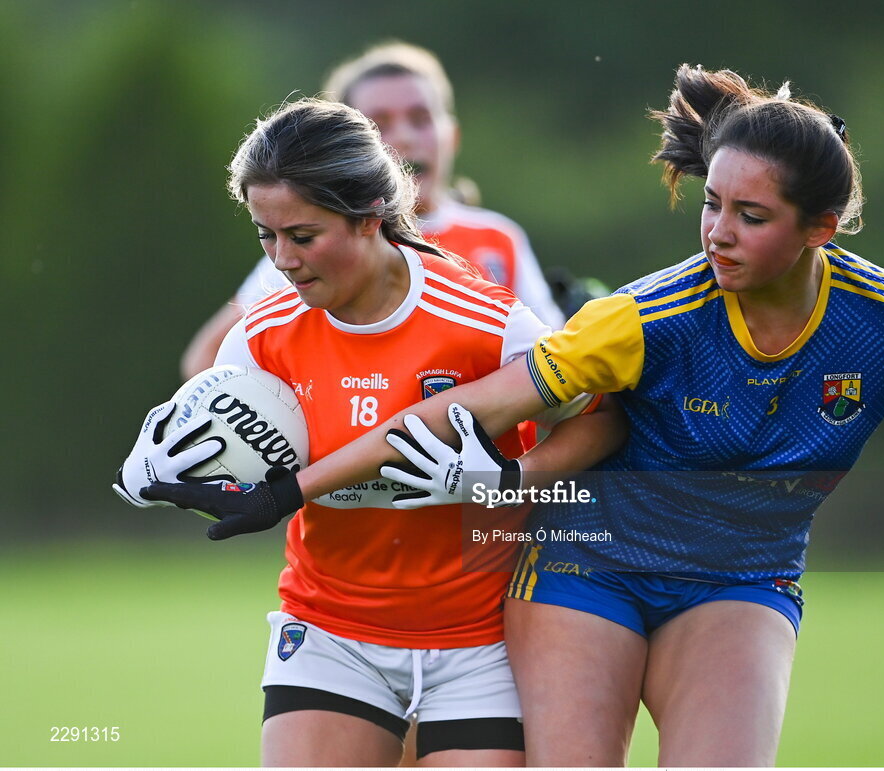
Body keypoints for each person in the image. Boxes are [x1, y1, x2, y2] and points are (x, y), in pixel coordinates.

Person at [141, 64, 884, 766]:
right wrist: (292, 488)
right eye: (711, 205)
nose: (715, 232)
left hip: (740, 576)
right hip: (585, 563)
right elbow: (458, 410)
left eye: (749, 215)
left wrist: (503, 478)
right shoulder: (643, 316)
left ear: (822, 227)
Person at [115, 96, 613, 767]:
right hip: (329, 634)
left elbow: (602, 421)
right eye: (265, 234)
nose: (282, 259)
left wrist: (514, 478)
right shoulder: (262, 336)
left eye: (303, 235)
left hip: (481, 641)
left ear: (369, 216)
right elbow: (231, 462)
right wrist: (176, 477)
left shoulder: (484, 320)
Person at [180, 41, 564, 381]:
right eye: (380, 122)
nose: (406, 138)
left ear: (453, 134)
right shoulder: (304, 248)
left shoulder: (498, 238)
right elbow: (208, 362)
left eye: (421, 118)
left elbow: (555, 371)